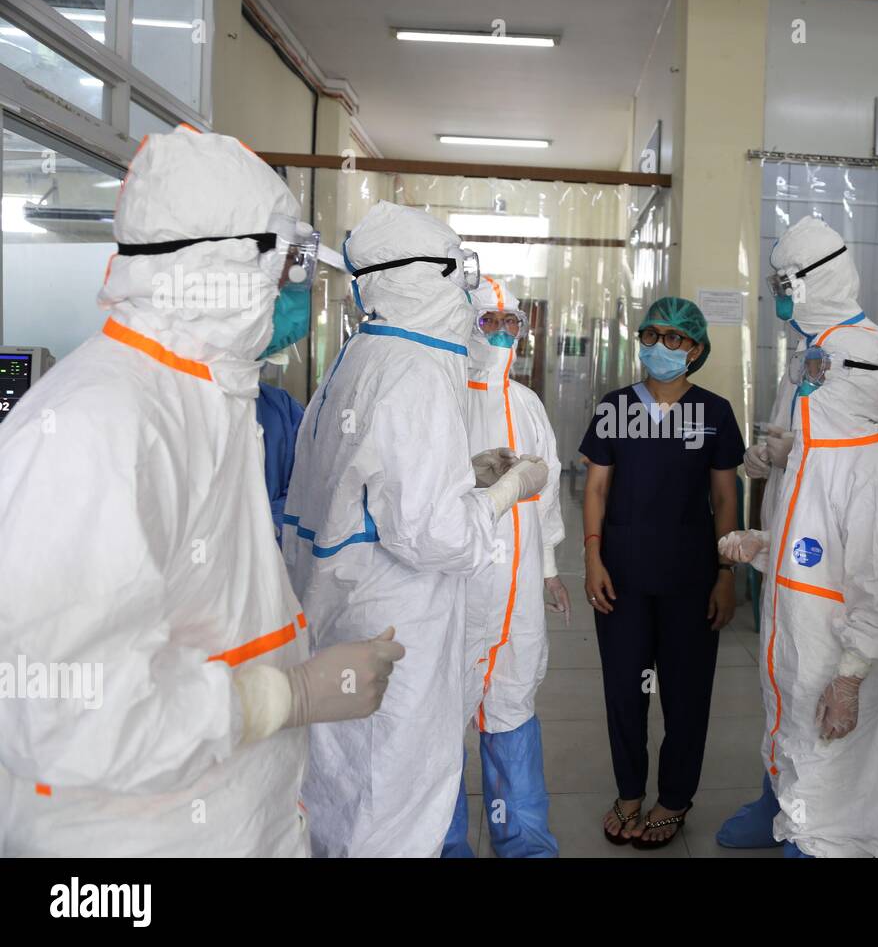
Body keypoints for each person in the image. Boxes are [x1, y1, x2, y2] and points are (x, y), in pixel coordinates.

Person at [0, 127, 402, 856]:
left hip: (232, 816)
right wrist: (293, 695)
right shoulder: (99, 427)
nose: (297, 290)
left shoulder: (207, 398)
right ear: (226, 261)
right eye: (288, 264)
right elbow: (66, 714)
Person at [282, 201, 549, 857]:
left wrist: (463, 472)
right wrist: (511, 488)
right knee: (390, 815)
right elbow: (438, 537)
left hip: (344, 620)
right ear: (421, 276)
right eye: (458, 272)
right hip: (397, 633)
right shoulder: (420, 370)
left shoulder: (360, 358)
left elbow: (371, 489)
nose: (466, 291)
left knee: (345, 798)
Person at [718, 215, 878, 850]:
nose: (779, 295)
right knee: (787, 687)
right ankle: (781, 800)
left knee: (831, 704)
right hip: (792, 556)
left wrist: (820, 541)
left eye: (786, 282)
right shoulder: (805, 353)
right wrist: (771, 467)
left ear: (820, 277)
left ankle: (831, 831)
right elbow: (804, 447)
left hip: (842, 572)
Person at [580, 297, 744, 848]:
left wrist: (727, 571)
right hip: (622, 572)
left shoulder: (715, 412)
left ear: (696, 349)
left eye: (674, 338)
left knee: (686, 691)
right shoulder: (614, 407)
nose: (659, 346)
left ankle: (673, 798)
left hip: (691, 573)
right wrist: (591, 555)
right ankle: (629, 792)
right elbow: (597, 487)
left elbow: (725, 496)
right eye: (651, 334)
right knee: (624, 687)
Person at [443, 276, 566, 858]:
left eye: (509, 323)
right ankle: (441, 844)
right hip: (454, 590)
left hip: (516, 595)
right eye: (487, 320)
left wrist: (546, 570)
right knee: (440, 717)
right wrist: (474, 474)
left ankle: (524, 841)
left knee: (513, 705)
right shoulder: (440, 395)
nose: (498, 333)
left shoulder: (527, 403)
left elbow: (548, 494)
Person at [256, 381, 305, 534]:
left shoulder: (281, 406)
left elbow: (309, 485)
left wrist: (271, 525)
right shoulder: (186, 408)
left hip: (276, 548)